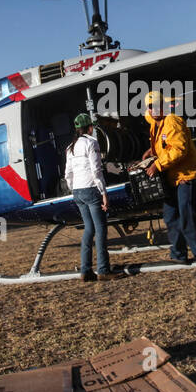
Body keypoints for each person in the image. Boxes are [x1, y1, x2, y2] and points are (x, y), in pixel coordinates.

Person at [143, 89, 196, 273]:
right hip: (173, 179)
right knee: (170, 215)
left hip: (187, 178)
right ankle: (178, 255)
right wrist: (151, 153)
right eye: (150, 106)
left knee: (188, 217)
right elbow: (152, 124)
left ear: (164, 106)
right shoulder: (155, 123)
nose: (153, 109)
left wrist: (157, 165)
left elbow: (179, 149)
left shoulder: (172, 121)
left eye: (156, 105)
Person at [64, 113, 116, 281]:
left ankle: (85, 269)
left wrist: (74, 189)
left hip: (78, 191)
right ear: (90, 128)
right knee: (100, 229)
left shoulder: (69, 148)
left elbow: (68, 174)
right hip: (91, 188)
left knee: (89, 229)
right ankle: (103, 269)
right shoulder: (91, 143)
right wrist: (104, 193)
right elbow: (96, 170)